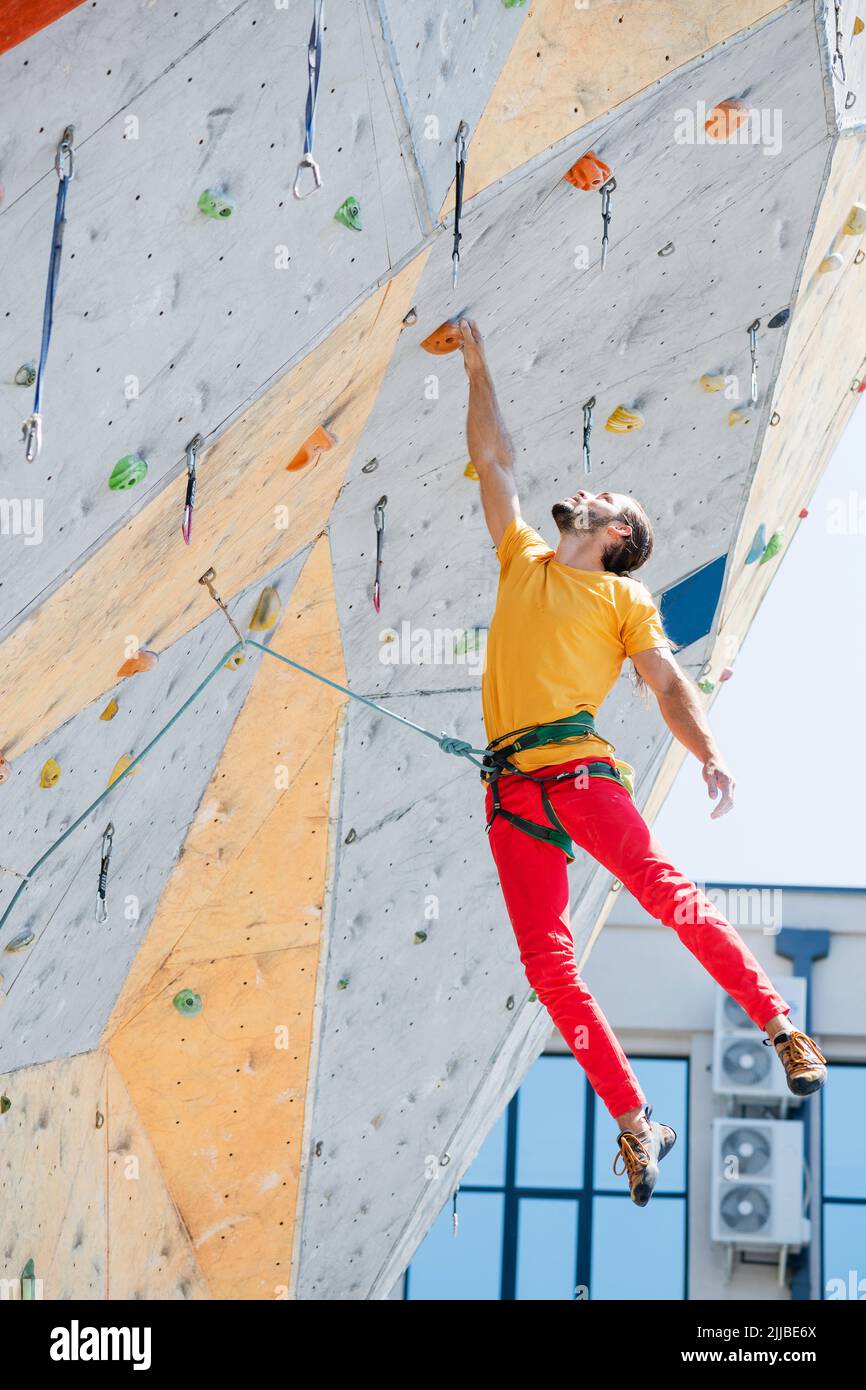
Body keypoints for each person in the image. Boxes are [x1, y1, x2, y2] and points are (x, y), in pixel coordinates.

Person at [459, 319, 827, 1207]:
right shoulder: (526, 562)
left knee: (664, 892)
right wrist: (478, 360)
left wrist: (709, 755)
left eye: (603, 496)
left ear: (619, 532)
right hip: (511, 793)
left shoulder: (625, 595)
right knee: (549, 969)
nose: (583, 492)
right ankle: (635, 1121)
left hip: (579, 774)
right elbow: (495, 461)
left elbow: (666, 684)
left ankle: (780, 1028)